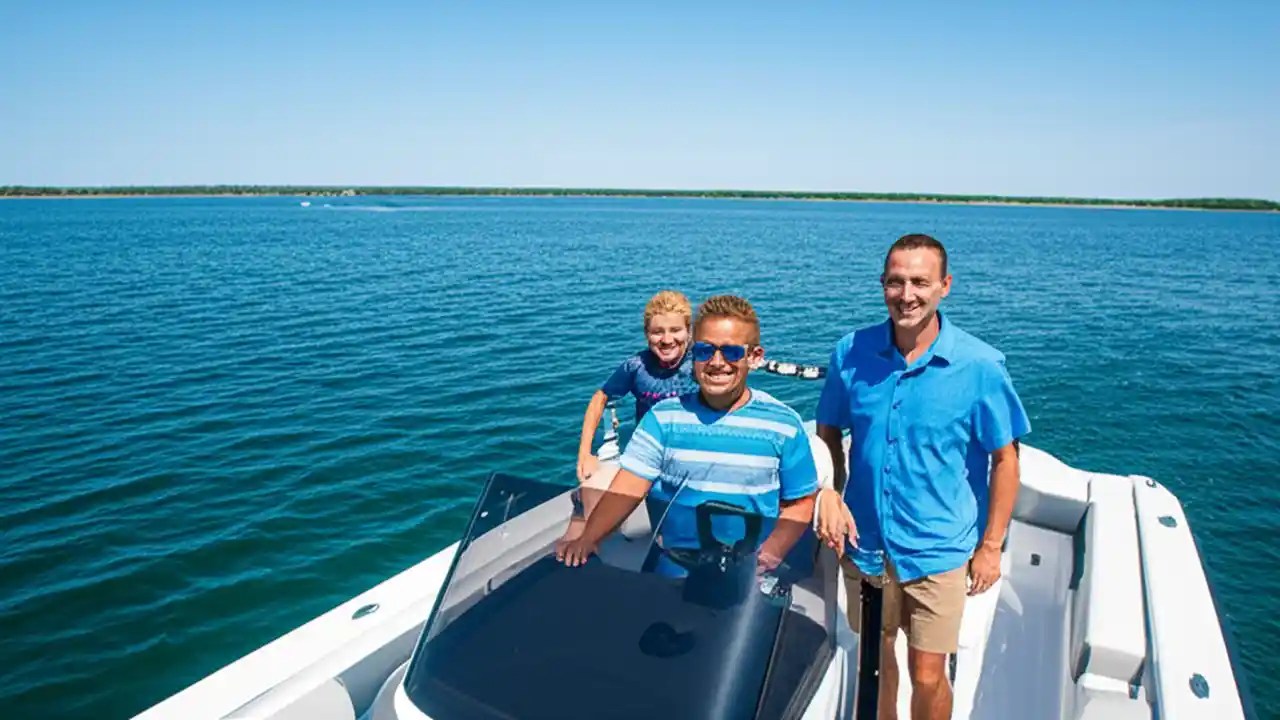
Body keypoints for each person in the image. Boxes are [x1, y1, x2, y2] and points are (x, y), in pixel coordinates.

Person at [814, 234, 1030, 720]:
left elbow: (1007, 460)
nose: (906, 294)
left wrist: (991, 547)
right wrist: (831, 492)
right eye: (895, 281)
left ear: (945, 286)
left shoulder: (980, 365)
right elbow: (828, 430)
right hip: (864, 542)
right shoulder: (851, 352)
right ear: (882, 285)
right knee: (877, 660)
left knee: (928, 674)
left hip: (938, 549)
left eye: (919, 282)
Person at [557, 294, 819, 571]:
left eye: (731, 352)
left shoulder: (785, 425)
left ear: (754, 357)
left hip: (750, 577)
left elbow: (800, 502)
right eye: (705, 351)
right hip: (673, 569)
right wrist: (588, 537)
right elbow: (628, 488)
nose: (717, 362)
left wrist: (771, 554)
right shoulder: (661, 419)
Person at [575, 290, 697, 485]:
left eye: (675, 330)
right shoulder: (636, 367)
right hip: (649, 456)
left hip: (693, 455)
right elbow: (601, 397)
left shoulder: (702, 361)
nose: (666, 340)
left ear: (689, 332)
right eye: (657, 332)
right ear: (646, 334)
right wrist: (585, 453)